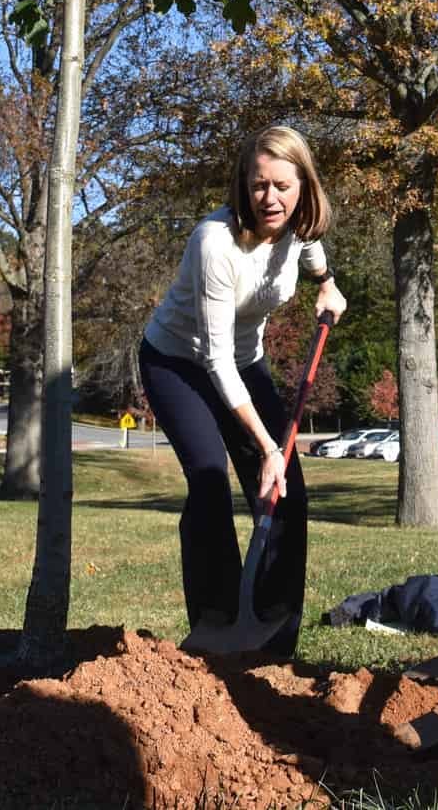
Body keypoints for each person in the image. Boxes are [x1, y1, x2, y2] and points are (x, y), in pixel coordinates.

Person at [140, 125, 347, 652]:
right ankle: (216, 621)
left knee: (286, 491)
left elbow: (311, 248)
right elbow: (213, 358)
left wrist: (326, 283)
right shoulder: (215, 243)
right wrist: (269, 446)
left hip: (243, 361)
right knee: (211, 481)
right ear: (243, 185)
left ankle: (276, 626)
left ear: (303, 186)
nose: (270, 199)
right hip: (178, 364)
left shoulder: (298, 226)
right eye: (259, 186)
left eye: (283, 185)